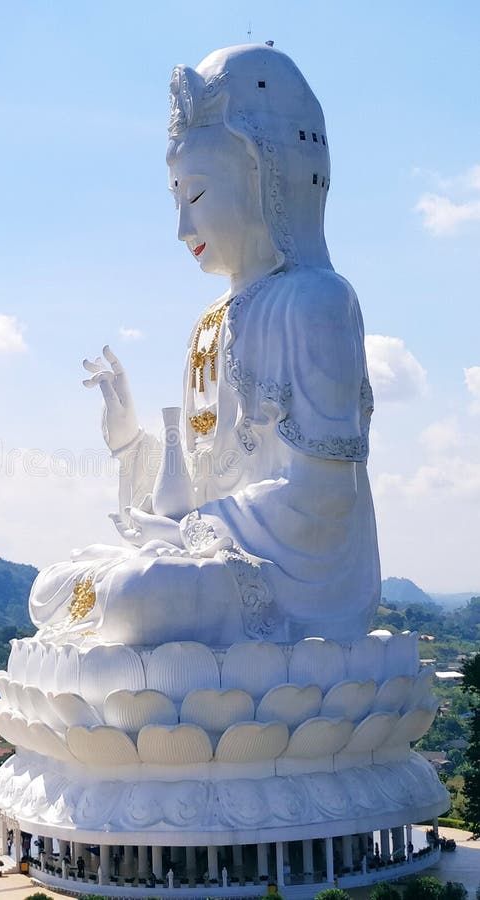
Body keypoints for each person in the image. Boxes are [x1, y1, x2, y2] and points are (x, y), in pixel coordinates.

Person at [27, 42, 379, 647]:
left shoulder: (316, 300)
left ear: (269, 175)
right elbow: (192, 482)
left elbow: (325, 497)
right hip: (204, 550)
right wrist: (130, 445)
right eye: (174, 202)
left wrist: (189, 530)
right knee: (51, 586)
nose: (183, 229)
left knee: (136, 597)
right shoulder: (208, 325)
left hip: (292, 580)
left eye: (195, 196)